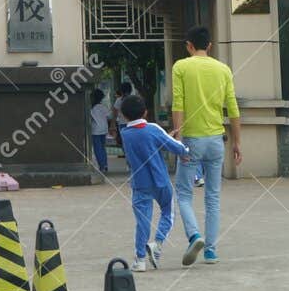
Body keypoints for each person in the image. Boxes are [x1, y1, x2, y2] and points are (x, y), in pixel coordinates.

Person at [171, 25, 241, 267]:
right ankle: (211, 250)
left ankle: (194, 235)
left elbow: (178, 103)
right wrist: (237, 142)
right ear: (209, 45)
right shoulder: (223, 69)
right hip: (216, 140)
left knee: (183, 193)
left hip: (191, 139)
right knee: (213, 197)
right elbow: (232, 108)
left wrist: (177, 138)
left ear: (189, 45)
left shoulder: (181, 66)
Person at [120, 92, 189, 271]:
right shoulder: (153, 129)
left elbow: (143, 143)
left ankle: (140, 260)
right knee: (168, 212)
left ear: (124, 115)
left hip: (140, 183)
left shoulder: (125, 133)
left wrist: (163, 137)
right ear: (145, 112)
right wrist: (178, 143)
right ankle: (157, 243)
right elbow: (177, 148)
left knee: (142, 221)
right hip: (161, 180)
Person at [88, 88, 112, 173]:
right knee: (102, 147)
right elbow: (109, 116)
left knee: (97, 148)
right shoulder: (103, 107)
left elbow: (90, 119)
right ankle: (105, 165)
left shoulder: (91, 108)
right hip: (104, 129)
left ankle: (101, 166)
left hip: (95, 130)